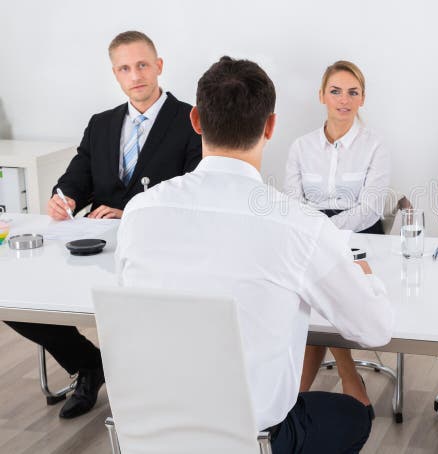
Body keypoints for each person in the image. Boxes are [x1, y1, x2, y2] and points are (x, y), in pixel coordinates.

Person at [116, 56, 393, 453]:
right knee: (353, 414)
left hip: (154, 433)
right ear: (270, 126)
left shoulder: (141, 212)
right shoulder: (299, 226)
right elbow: (375, 330)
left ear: (195, 121)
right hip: (252, 439)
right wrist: (362, 274)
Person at [5, 30, 201, 419]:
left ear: (159, 66)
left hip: (158, 248)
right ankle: (88, 363)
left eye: (142, 65)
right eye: (125, 68)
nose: (135, 75)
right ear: (115, 74)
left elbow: (194, 190)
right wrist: (64, 197)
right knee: (15, 300)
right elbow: (77, 176)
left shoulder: (191, 119)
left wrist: (131, 212)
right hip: (95, 246)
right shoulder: (102, 124)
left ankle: (150, 387)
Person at [285, 60, 390, 413]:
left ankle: (295, 394)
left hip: (359, 238)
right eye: (335, 91)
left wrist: (324, 235)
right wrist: (316, 235)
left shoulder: (375, 146)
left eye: (352, 92)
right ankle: (348, 377)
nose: (343, 100)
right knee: (317, 291)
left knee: (320, 292)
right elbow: (293, 204)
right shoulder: (300, 147)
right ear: (321, 96)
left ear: (362, 99)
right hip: (309, 236)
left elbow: (371, 209)